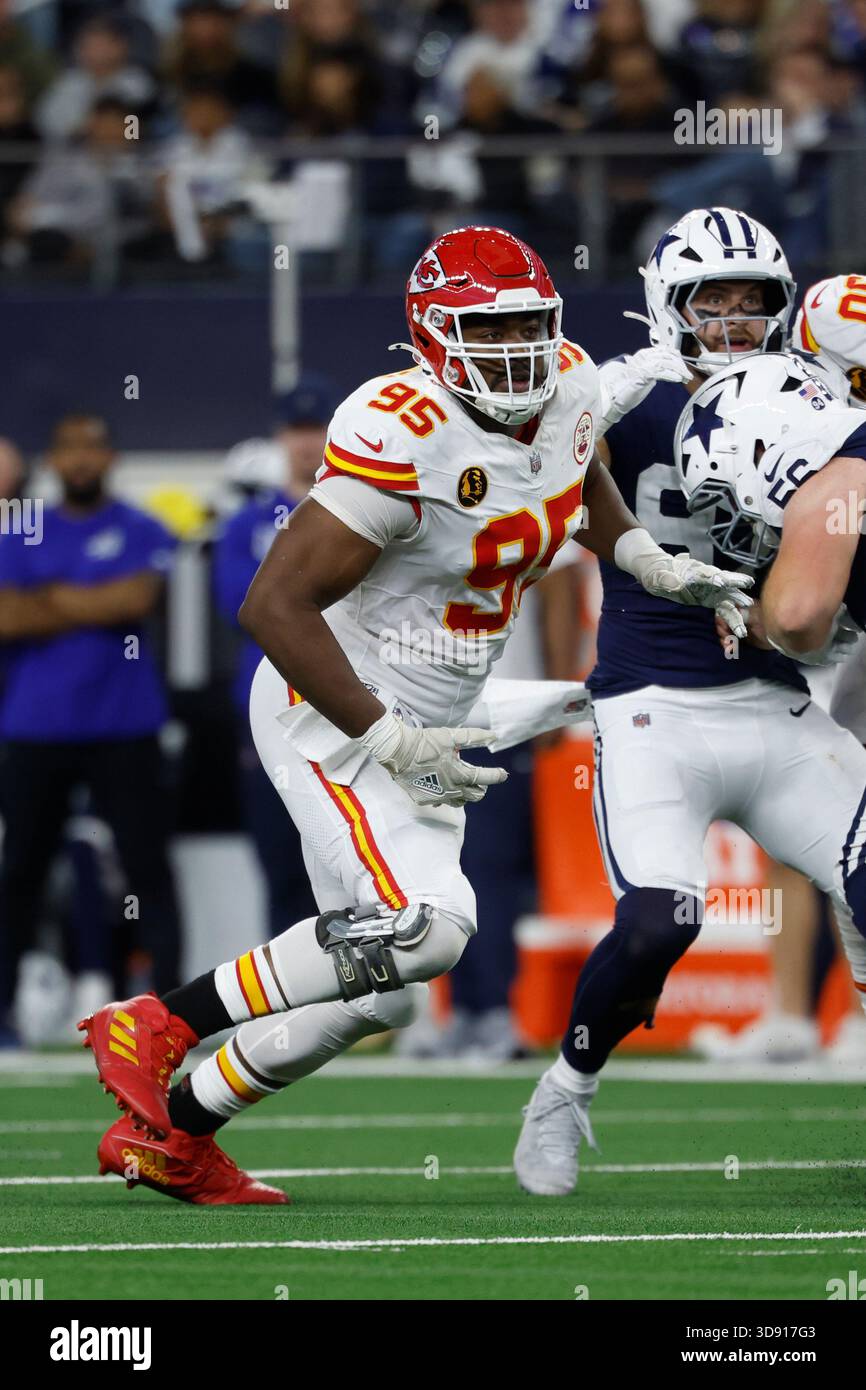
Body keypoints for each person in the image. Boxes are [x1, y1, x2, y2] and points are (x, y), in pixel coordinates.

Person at [77, 224, 751, 1205]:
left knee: (382, 990)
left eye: (530, 324)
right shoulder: (401, 428)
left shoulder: (563, 386)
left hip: (444, 705)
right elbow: (270, 606)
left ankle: (175, 1134)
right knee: (434, 927)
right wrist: (388, 738)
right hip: (332, 709)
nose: (518, 349)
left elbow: (578, 473)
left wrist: (640, 556)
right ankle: (159, 1021)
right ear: (431, 336)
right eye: (491, 330)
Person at [513, 206, 866, 1198]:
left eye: (751, 302)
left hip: (774, 699)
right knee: (661, 920)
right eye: (710, 302)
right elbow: (539, 492)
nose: (732, 321)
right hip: (652, 704)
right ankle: (566, 1084)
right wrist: (618, 525)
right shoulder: (623, 397)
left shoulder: (813, 396)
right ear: (668, 305)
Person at [0, 413, 183, 1035]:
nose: (80, 460)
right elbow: (3, 617)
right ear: (52, 459)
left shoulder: (142, 526)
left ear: (111, 459)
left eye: (92, 449)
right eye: (68, 449)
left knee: (147, 870)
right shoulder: (21, 528)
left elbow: (136, 600)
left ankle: (169, 1018)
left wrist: (45, 600)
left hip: (123, 727)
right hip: (34, 728)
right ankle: (5, 1016)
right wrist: (90, 601)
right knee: (19, 871)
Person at [213, 377, 337, 938]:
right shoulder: (249, 521)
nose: (307, 443)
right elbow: (241, 606)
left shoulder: (359, 508)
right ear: (279, 437)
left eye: (316, 428)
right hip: (270, 705)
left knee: (350, 854)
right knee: (280, 855)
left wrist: (291, 594)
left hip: (346, 701)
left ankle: (369, 1003)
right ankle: (288, 1000)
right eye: (296, 430)